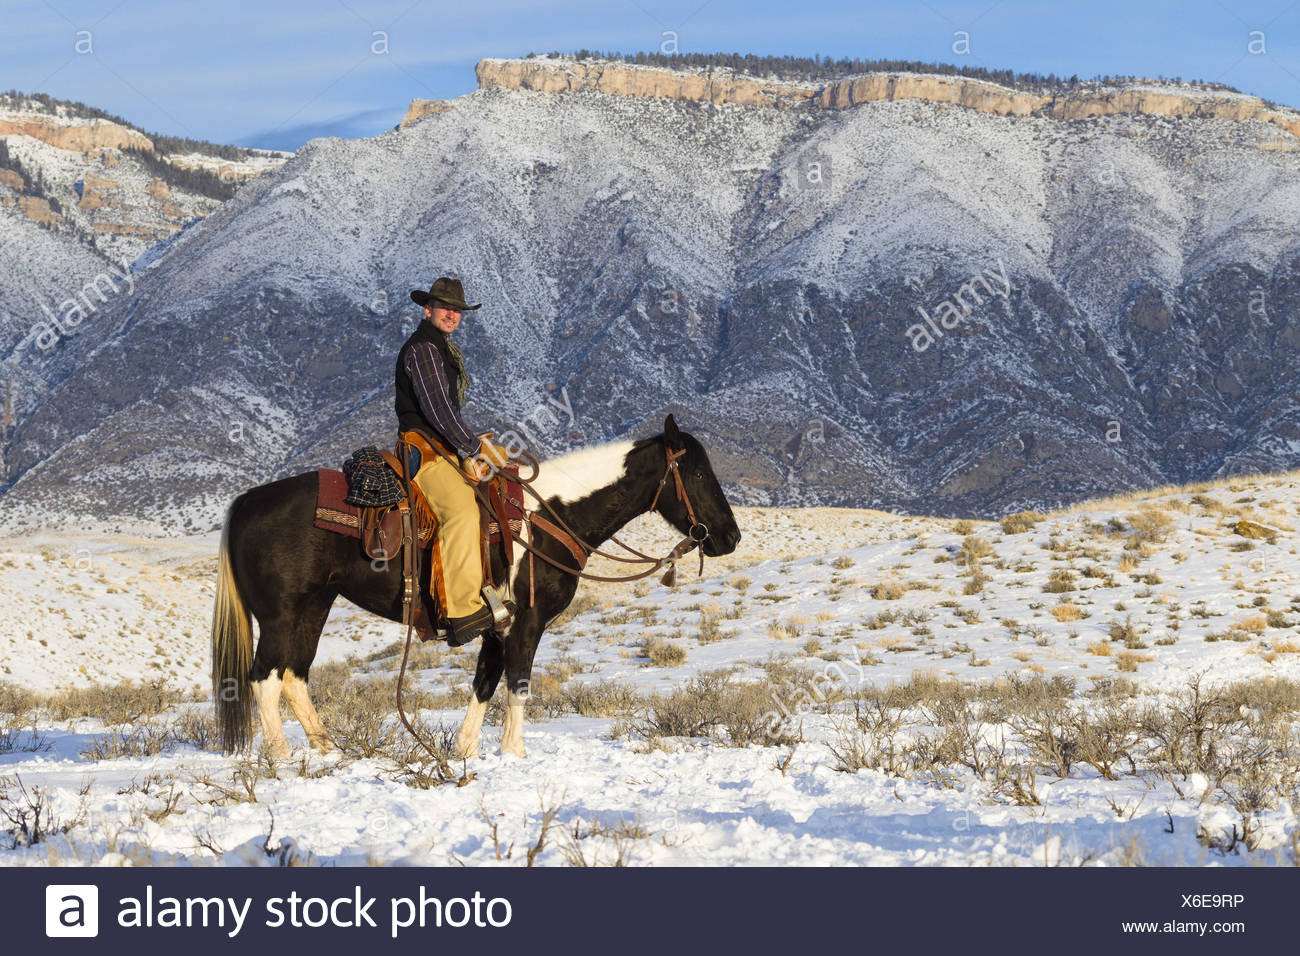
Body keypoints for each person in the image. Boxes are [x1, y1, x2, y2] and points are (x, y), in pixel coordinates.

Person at [395, 276, 507, 645]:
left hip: (441, 445)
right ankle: (460, 611)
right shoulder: (425, 349)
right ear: (427, 310)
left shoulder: (441, 347)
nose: (452, 315)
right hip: (424, 449)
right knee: (460, 510)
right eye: (445, 308)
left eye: (457, 310)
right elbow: (439, 410)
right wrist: (472, 448)